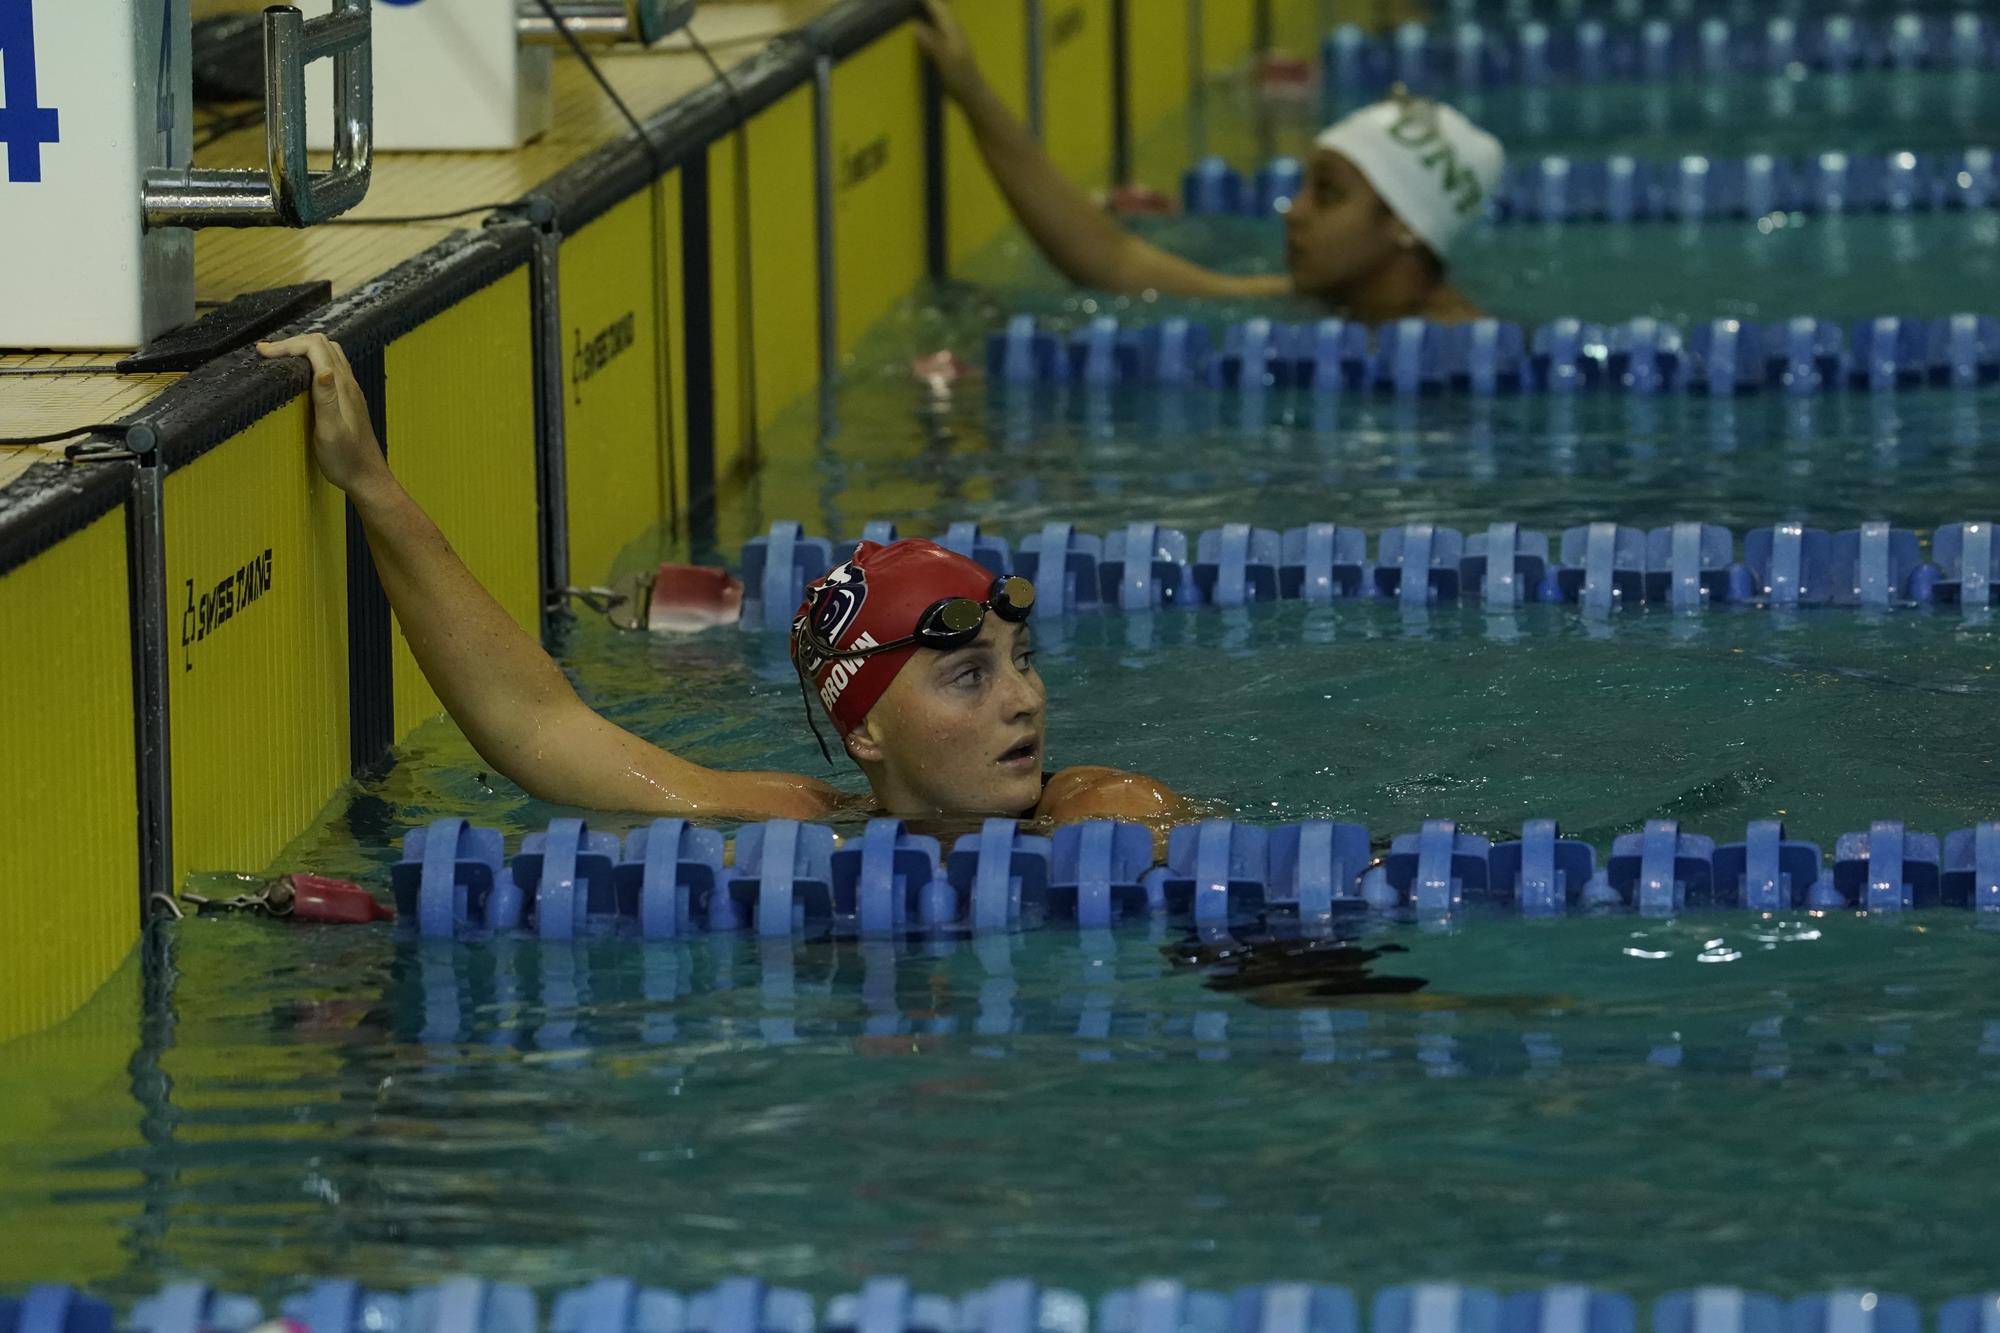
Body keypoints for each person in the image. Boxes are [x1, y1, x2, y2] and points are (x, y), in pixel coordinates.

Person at [257, 334, 1192, 830]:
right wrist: (371, 485)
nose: (1025, 698)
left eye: (1019, 660)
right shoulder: (795, 822)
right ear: (864, 729)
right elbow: (540, 727)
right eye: (969, 675)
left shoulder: (1105, 813)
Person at [916, 0, 1504, 324]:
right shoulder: (1330, 302)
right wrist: (972, 94)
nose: (1292, 213)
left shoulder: (1465, 350)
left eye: (1326, 194)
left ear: (1405, 223)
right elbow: (1115, 262)